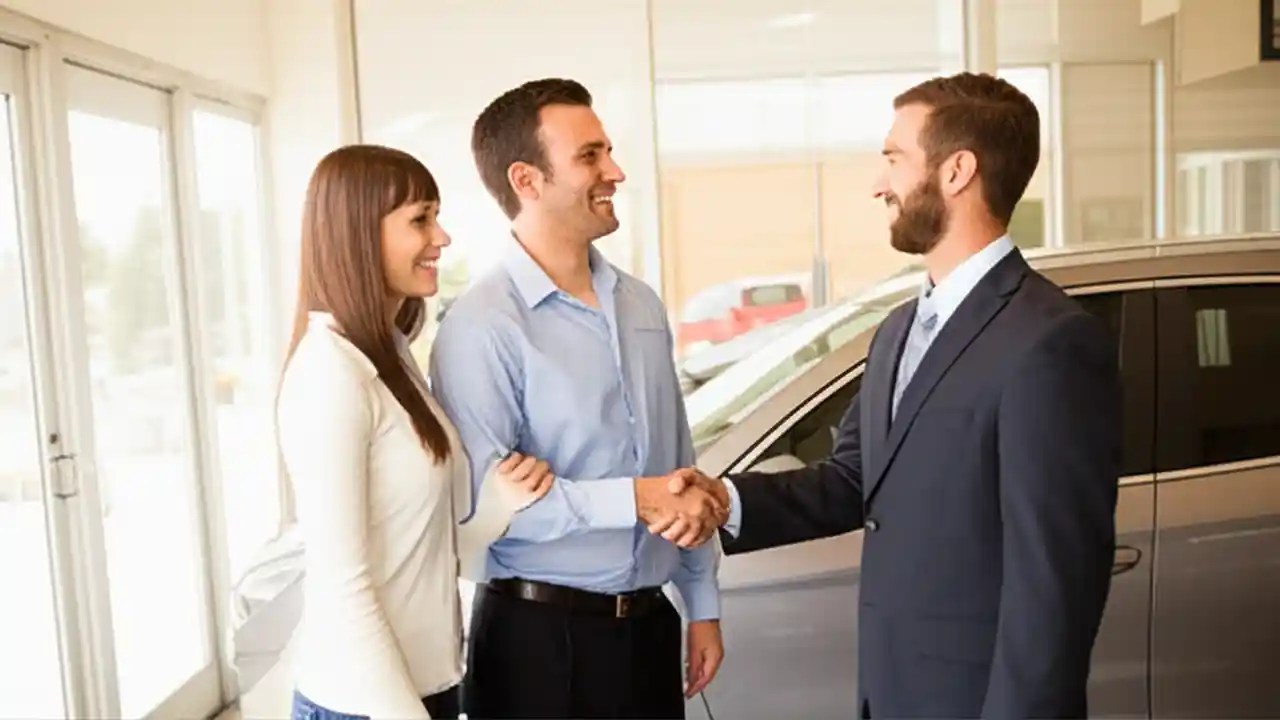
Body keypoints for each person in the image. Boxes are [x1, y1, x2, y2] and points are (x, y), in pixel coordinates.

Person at [658, 73, 1123, 718]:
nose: (880, 184)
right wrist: (724, 499)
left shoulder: (1050, 343)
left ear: (958, 170)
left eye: (894, 159)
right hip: (892, 692)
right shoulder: (901, 329)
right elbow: (855, 481)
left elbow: (1055, 585)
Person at [428, 78, 728, 720]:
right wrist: (634, 498)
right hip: (536, 645)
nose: (614, 171)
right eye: (589, 156)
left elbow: (679, 464)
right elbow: (487, 506)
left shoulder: (640, 304)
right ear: (526, 180)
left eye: (608, 152)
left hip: (650, 629)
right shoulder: (481, 327)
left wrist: (699, 599)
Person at [275, 144, 555, 720]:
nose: (442, 237)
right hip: (366, 704)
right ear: (358, 234)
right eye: (420, 219)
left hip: (425, 690)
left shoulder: (391, 353)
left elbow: (422, 556)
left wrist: (496, 510)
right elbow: (342, 591)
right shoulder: (329, 373)